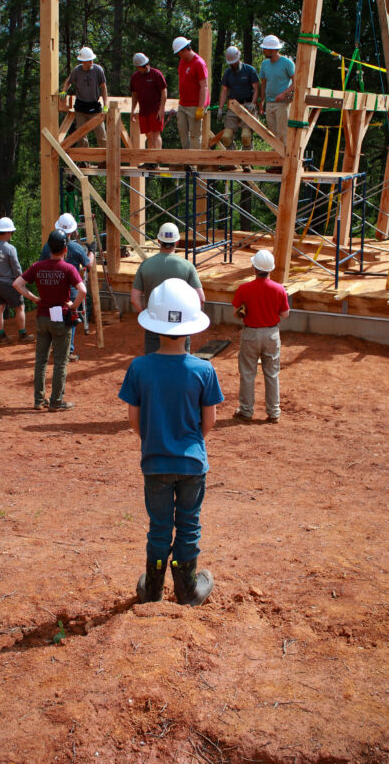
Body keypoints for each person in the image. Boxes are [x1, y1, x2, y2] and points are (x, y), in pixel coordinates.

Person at [119, 278, 223, 606]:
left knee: (159, 526)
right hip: (192, 461)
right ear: (191, 327)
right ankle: (187, 586)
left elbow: (133, 421)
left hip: (155, 461)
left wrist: (156, 442)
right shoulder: (204, 370)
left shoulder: (139, 368)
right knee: (188, 525)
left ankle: (151, 589)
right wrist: (187, 443)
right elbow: (209, 422)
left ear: (153, 326)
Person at [13, 229, 87, 411]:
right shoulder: (68, 268)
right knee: (61, 361)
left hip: (43, 316)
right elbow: (83, 291)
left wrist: (34, 298)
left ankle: (39, 400)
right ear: (65, 250)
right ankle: (56, 401)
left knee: (41, 360)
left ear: (48, 248)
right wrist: (73, 306)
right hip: (60, 316)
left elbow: (17, 284)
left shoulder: (38, 266)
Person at [231, 249, 289, 423]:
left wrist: (245, 311)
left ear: (254, 268)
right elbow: (285, 314)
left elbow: (236, 311)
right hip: (271, 334)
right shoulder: (279, 289)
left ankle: (246, 411)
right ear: (270, 269)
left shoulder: (244, 288)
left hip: (250, 333)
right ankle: (274, 413)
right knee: (271, 373)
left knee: (248, 373)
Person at [131, 221, 205, 354]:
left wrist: (148, 315)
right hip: (181, 326)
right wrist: (188, 318)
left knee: (153, 366)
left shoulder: (145, 265)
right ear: (177, 242)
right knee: (181, 365)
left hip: (155, 324)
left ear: (159, 240)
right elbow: (201, 298)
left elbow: (134, 299)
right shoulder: (187, 266)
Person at [39, 211, 93, 361]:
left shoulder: (46, 247)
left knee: (56, 319)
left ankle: (56, 349)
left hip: (52, 289)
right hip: (70, 292)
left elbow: (40, 265)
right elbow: (88, 265)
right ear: (73, 230)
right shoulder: (76, 248)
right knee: (70, 321)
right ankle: (67, 351)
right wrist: (92, 252)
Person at [0, 217, 34, 343]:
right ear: (7, 232)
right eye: (11, 232)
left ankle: (2, 336)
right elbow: (16, 268)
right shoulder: (10, 248)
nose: (11, 234)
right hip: (8, 282)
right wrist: (23, 281)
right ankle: (23, 335)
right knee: (19, 307)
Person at [215, 46, 260, 171]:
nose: (232, 65)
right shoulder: (228, 73)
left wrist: (253, 103)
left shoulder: (249, 70)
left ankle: (247, 163)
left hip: (247, 105)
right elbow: (224, 91)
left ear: (238, 58)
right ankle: (231, 162)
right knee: (227, 136)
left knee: (246, 135)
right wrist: (220, 108)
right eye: (230, 63)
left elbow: (256, 88)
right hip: (233, 105)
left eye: (234, 62)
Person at [60, 46, 109, 152]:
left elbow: (104, 88)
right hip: (81, 107)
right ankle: (84, 162)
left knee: (102, 136)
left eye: (92, 60)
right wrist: (64, 91)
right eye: (88, 61)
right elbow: (68, 81)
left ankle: (104, 161)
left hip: (95, 107)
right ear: (83, 61)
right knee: (81, 136)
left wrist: (106, 105)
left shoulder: (98, 70)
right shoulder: (77, 71)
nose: (91, 62)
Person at [129, 52, 167, 168]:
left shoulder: (156, 74)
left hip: (155, 108)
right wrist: (132, 110)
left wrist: (161, 109)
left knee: (155, 133)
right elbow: (134, 94)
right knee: (148, 135)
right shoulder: (135, 77)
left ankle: (156, 160)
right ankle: (150, 160)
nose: (144, 68)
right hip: (143, 110)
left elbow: (164, 92)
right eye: (141, 66)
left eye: (145, 65)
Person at [258, 35, 295, 150]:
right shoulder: (265, 64)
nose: (263, 51)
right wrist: (262, 102)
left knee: (283, 134)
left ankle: (283, 164)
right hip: (269, 103)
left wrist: (283, 94)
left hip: (283, 103)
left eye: (265, 49)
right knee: (272, 135)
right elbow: (263, 84)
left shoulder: (287, 63)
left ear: (273, 50)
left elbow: (296, 82)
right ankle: (275, 162)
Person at [173, 36, 208, 151]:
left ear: (185, 49)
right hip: (183, 104)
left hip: (195, 105)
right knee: (183, 133)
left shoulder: (199, 63)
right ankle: (187, 160)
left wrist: (200, 107)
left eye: (179, 53)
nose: (179, 56)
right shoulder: (182, 62)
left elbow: (204, 86)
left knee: (194, 135)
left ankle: (194, 162)